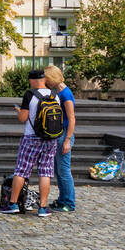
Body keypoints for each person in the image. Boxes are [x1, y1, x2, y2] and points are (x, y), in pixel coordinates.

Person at [1, 69, 60, 217]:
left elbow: (23, 118)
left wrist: (19, 111)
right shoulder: (55, 95)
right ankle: (43, 207)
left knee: (21, 170)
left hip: (31, 138)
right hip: (51, 138)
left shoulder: (30, 95)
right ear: (44, 79)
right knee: (45, 172)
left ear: (33, 81)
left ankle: (13, 203)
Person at [45, 65, 77, 212]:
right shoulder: (59, 91)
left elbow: (71, 118)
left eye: (47, 79)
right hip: (60, 134)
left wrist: (67, 140)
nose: (46, 82)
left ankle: (69, 203)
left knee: (64, 170)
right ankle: (63, 199)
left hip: (65, 134)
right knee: (59, 170)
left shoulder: (66, 94)